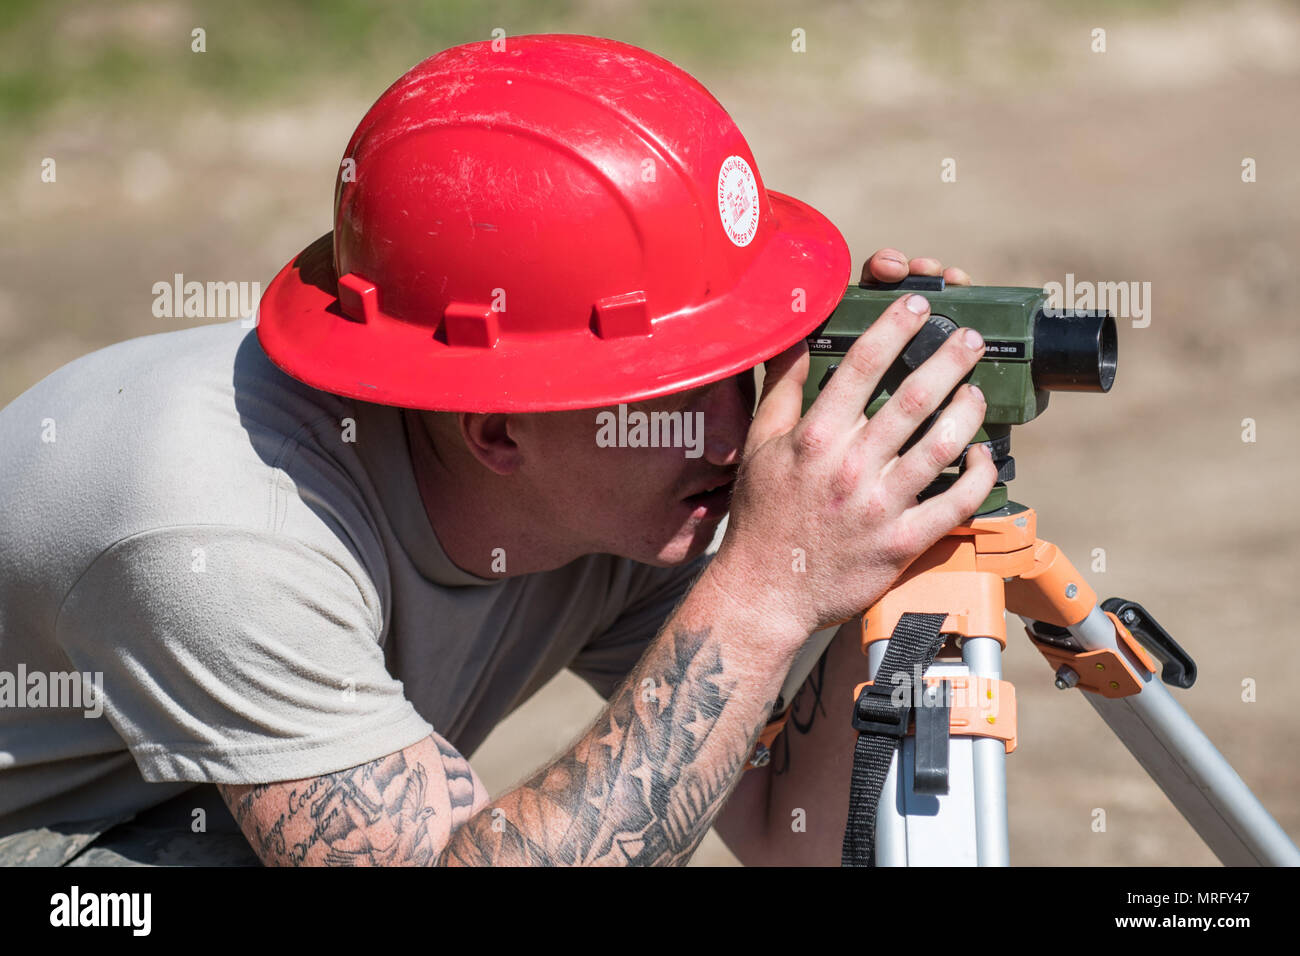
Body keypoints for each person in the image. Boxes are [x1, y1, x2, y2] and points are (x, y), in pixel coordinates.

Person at [0, 34, 995, 866]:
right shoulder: (223, 526)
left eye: (743, 366)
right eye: (675, 392)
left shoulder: (632, 489)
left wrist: (893, 520)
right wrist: (760, 595)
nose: (736, 436)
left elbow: (797, 830)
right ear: (497, 429)